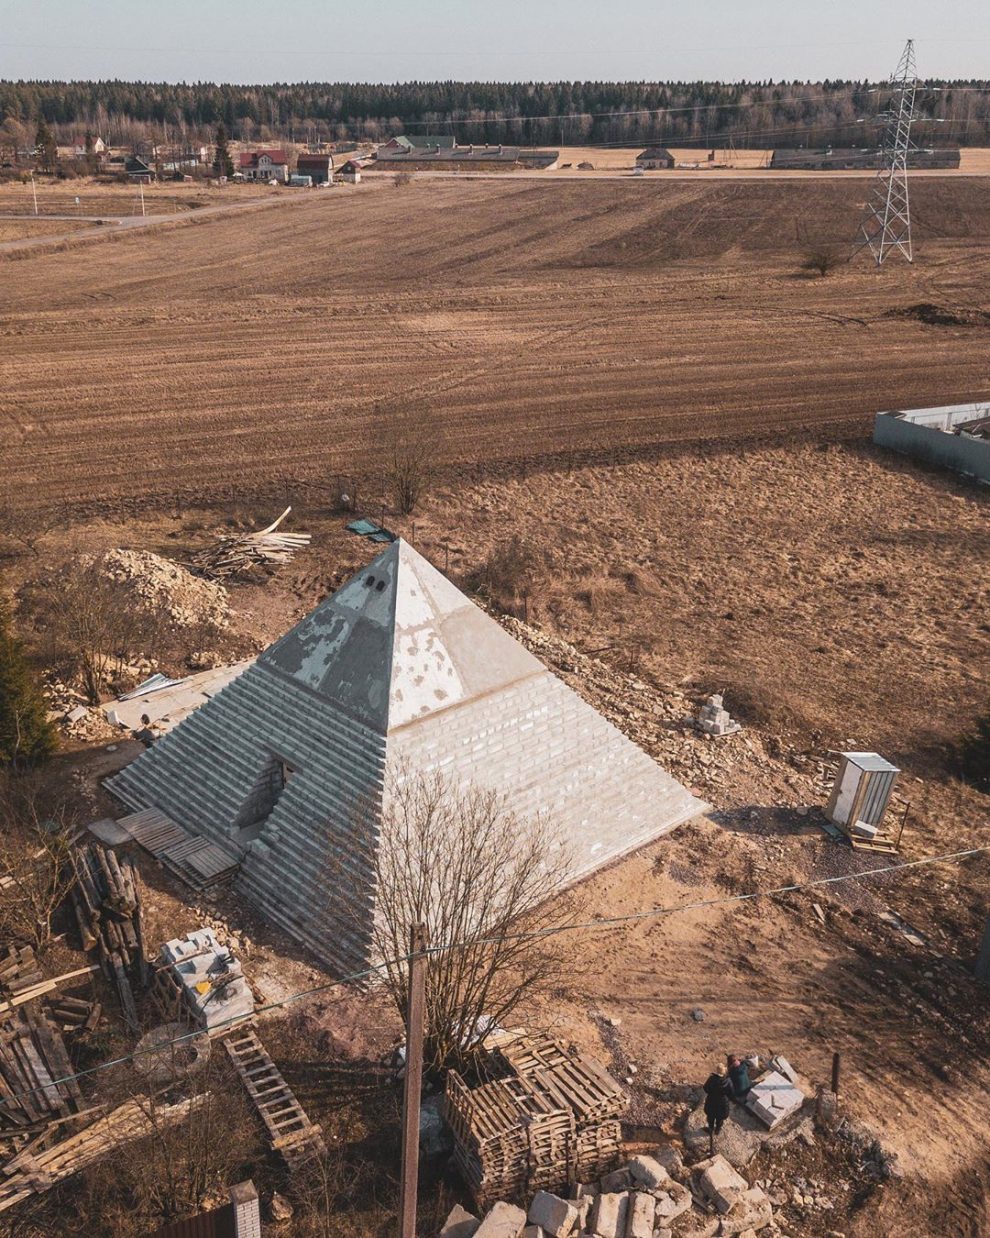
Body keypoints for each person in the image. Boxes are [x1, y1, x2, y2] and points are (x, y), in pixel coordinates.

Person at [703, 1063, 732, 1154]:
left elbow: (705, 1088)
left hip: (712, 1101)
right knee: (720, 1118)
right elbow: (731, 1092)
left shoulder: (711, 1079)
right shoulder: (728, 1081)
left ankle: (711, 1129)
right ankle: (718, 1130)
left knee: (711, 1117)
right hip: (723, 1103)